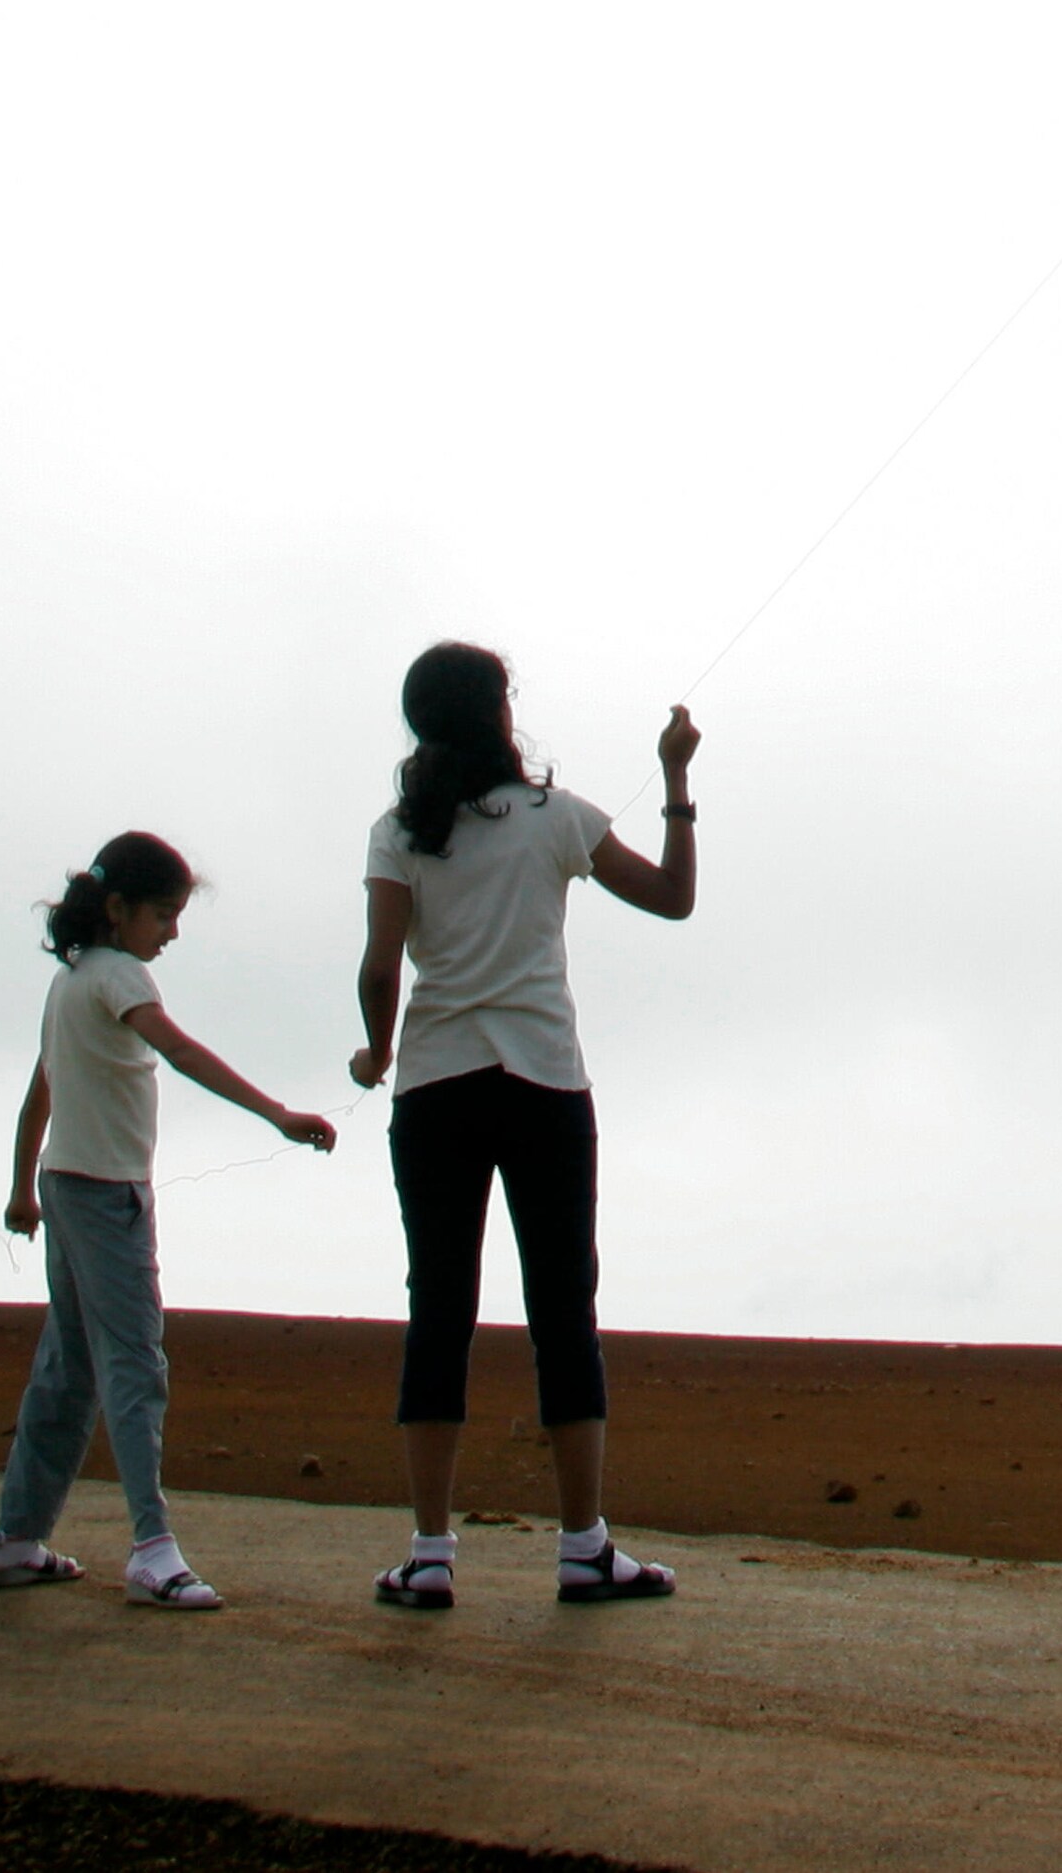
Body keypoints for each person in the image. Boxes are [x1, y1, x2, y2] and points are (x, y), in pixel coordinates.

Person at [353, 643, 700, 1609]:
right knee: (562, 1309)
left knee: (440, 1310)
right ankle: (584, 1545)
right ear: (499, 713)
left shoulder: (399, 830)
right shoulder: (557, 818)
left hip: (435, 1085)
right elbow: (674, 898)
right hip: (544, 1081)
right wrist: (676, 779)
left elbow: (382, 966)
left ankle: (430, 1554)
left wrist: (376, 1049)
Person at [0, 831, 339, 1609]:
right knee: (133, 1364)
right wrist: (274, 1110)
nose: (172, 930)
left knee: (69, 1369)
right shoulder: (117, 975)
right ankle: (151, 1545)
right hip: (104, 1197)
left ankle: (15, 1536)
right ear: (119, 910)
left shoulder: (70, 979)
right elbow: (175, 1049)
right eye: (164, 913)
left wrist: (22, 1187)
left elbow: (40, 1091)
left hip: (67, 1185)